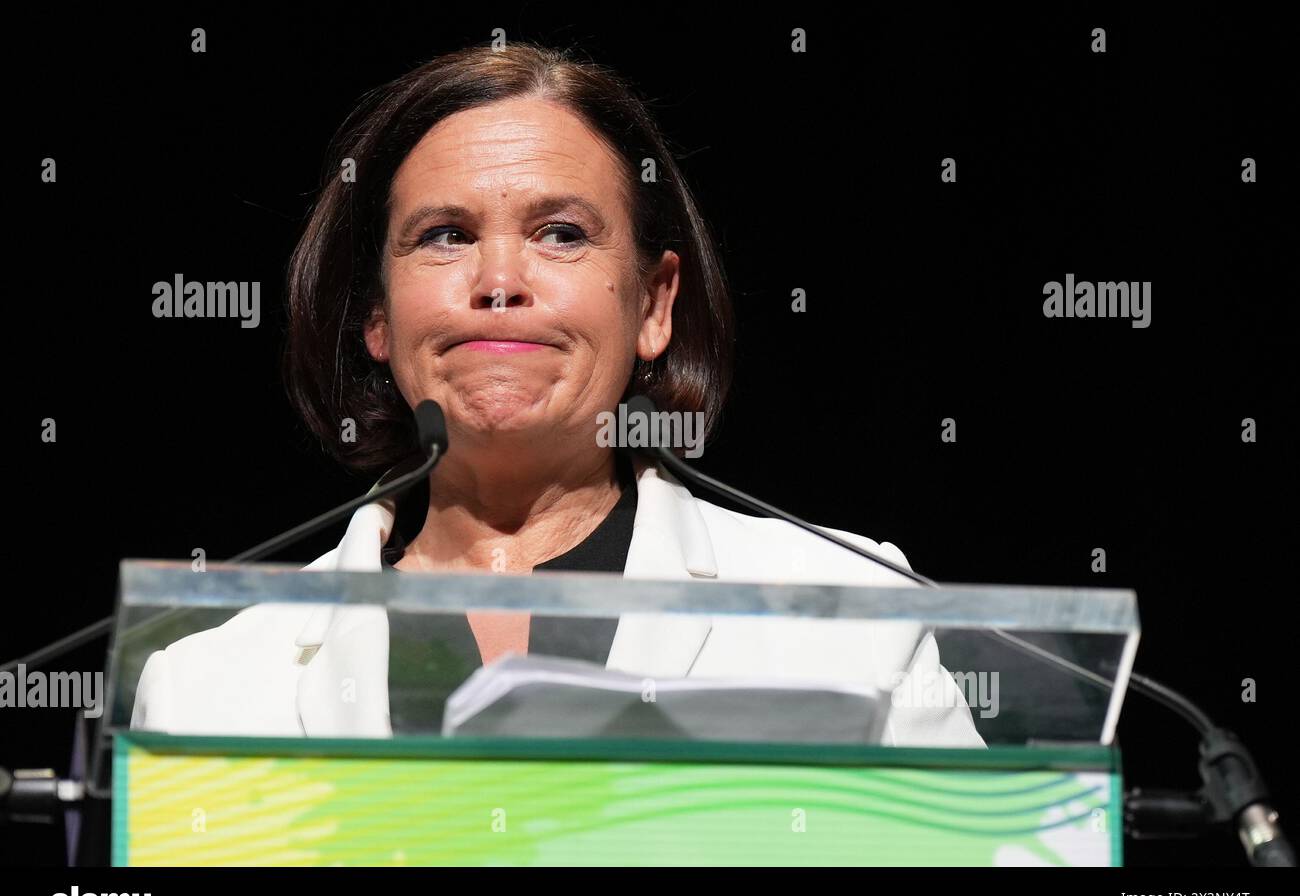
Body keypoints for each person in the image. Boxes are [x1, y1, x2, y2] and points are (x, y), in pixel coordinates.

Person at [130, 42, 984, 748]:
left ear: (652, 306)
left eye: (562, 234)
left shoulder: (851, 612)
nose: (499, 280)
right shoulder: (205, 687)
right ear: (377, 320)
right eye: (446, 236)